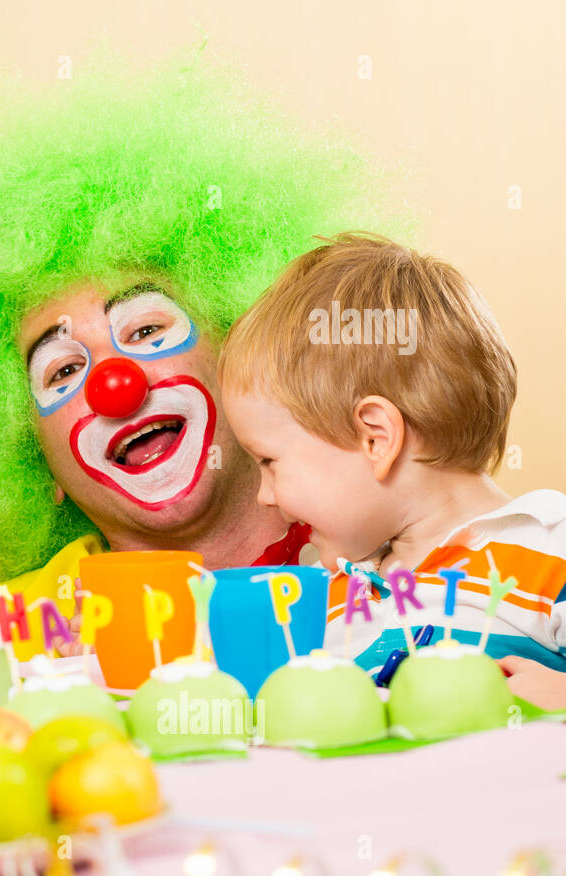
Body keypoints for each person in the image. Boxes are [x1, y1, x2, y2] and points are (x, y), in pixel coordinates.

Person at [0, 55, 387, 655]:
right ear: (30, 457)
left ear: (244, 351)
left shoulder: (390, 554)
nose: (114, 382)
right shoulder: (19, 634)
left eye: (147, 331)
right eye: (63, 370)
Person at [219, 232, 566, 711]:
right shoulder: (328, 593)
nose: (265, 495)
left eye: (269, 462)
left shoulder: (549, 546)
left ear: (376, 438)